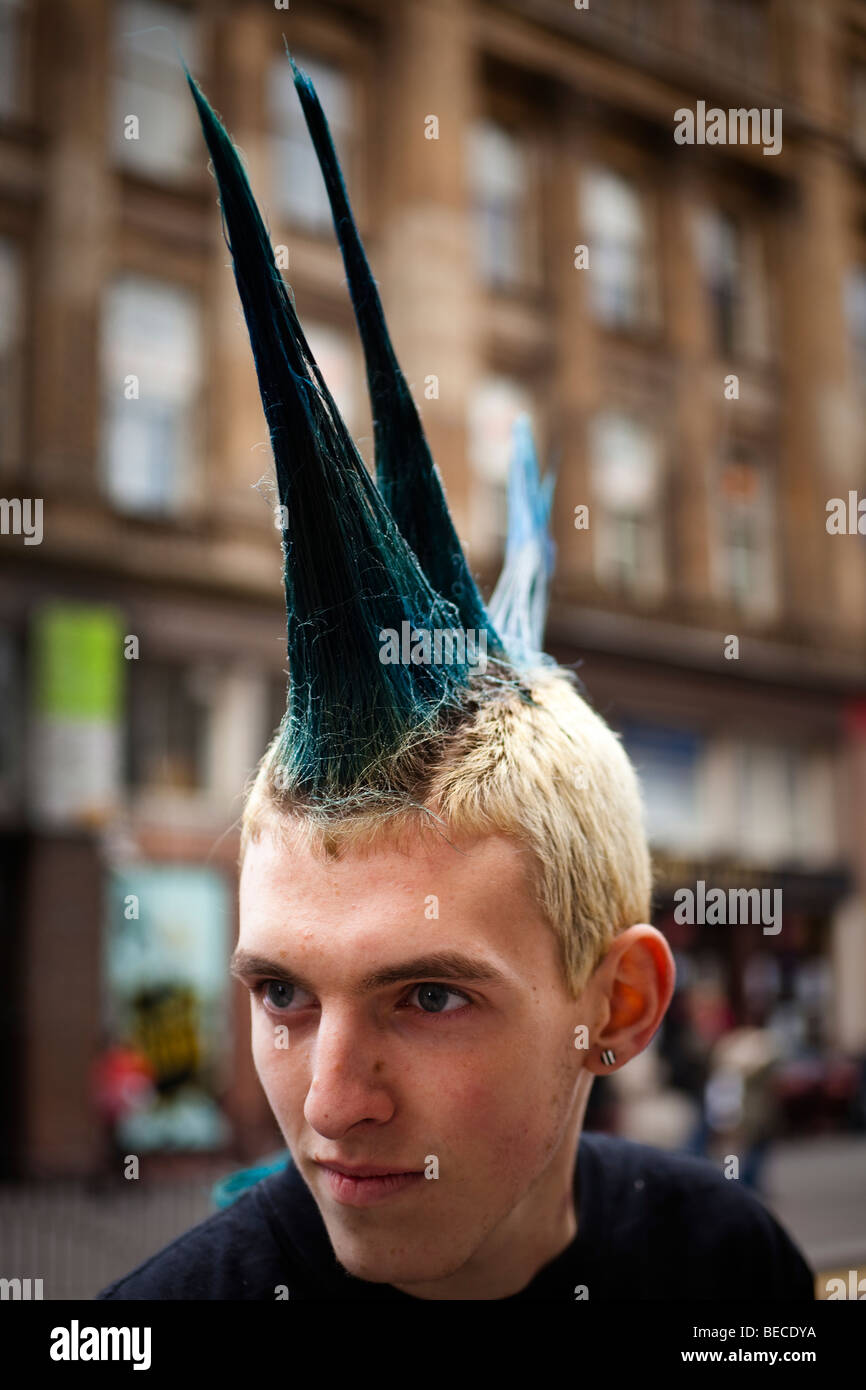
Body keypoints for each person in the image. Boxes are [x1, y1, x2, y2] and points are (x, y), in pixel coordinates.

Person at [97, 53, 814, 1302]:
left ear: (620, 1003)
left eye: (427, 994)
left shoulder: (730, 1270)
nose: (328, 1102)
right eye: (279, 992)